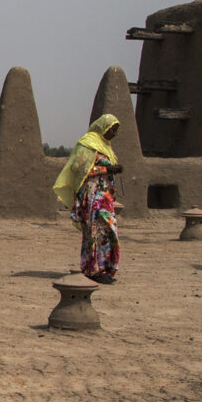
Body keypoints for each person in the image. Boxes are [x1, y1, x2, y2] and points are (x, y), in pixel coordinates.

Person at [51, 113, 123, 282]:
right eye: (112, 129)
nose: (114, 134)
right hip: (92, 197)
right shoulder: (88, 143)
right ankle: (93, 270)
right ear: (103, 127)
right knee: (95, 232)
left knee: (108, 232)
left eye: (115, 131)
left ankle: (105, 267)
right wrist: (106, 170)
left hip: (105, 197)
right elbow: (78, 169)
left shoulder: (106, 146)